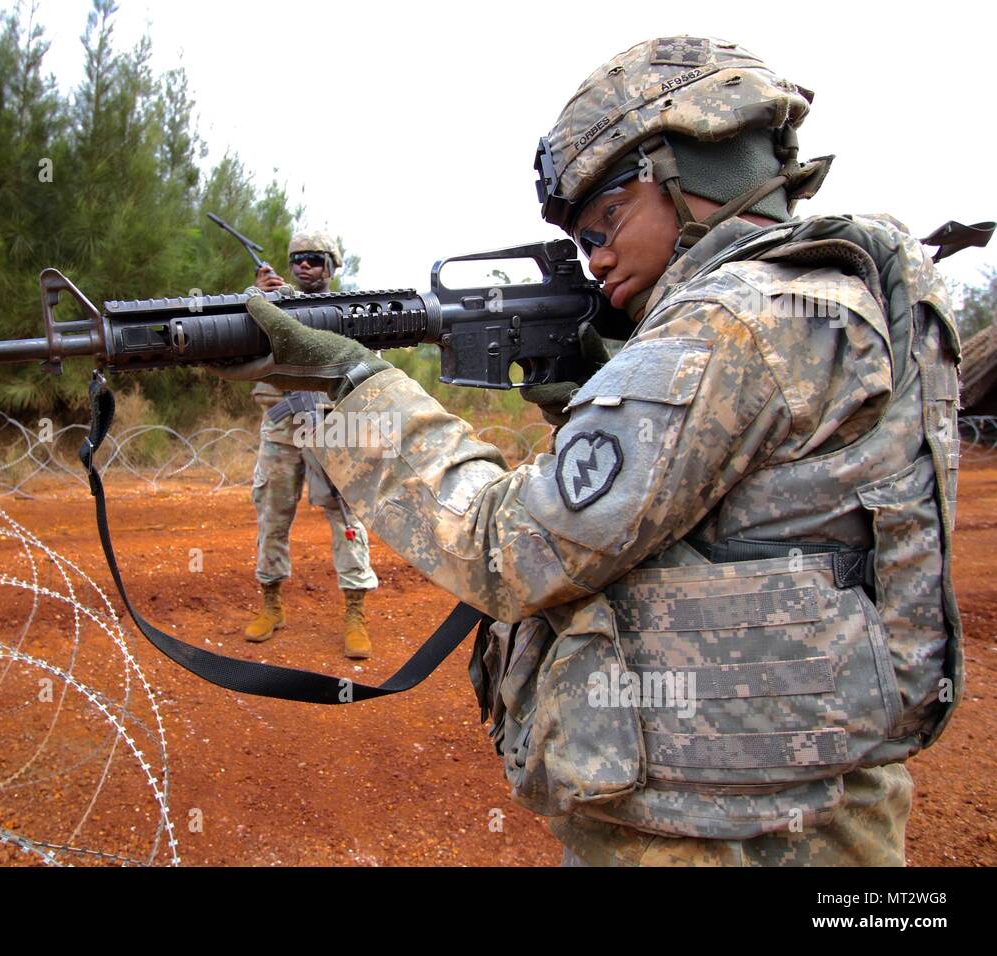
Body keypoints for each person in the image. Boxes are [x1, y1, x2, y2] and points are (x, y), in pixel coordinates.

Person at [208, 36, 966, 865]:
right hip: (787, 799)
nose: (596, 256)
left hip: (726, 834)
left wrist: (354, 385)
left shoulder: (738, 317)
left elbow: (510, 547)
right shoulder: (817, 295)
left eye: (607, 221)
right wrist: (592, 396)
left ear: (690, 173)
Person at [241, 231, 379, 659]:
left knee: (346, 518)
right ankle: (271, 606)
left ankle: (355, 613)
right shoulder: (270, 304)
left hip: (331, 426)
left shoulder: (346, 311)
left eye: (314, 260)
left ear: (331, 266)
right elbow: (233, 334)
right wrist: (254, 296)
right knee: (272, 516)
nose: (304, 266)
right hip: (281, 428)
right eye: (298, 259)